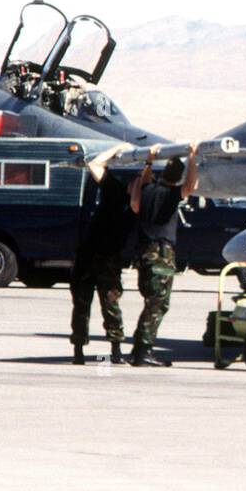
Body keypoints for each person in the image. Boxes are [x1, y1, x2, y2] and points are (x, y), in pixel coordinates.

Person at [127, 147, 197, 367]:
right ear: (176, 178)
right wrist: (193, 158)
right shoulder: (171, 194)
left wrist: (148, 163)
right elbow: (190, 186)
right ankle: (143, 352)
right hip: (160, 255)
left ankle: (139, 349)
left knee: (152, 302)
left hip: (144, 252)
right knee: (157, 304)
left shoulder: (148, 190)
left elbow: (134, 204)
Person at [69, 170, 134, 365]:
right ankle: (81, 349)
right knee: (86, 305)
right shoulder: (116, 193)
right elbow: (95, 165)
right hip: (93, 258)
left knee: (108, 305)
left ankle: (112, 349)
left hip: (104, 260)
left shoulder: (130, 204)